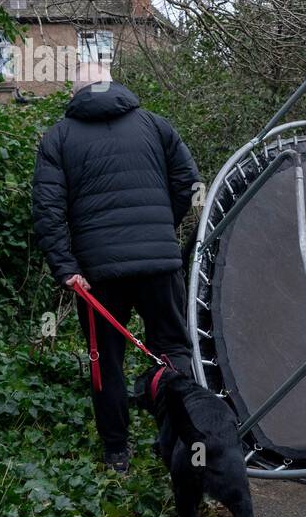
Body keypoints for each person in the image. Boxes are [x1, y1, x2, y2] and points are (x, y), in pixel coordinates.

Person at [32, 64, 200, 472]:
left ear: (73, 96)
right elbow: (189, 183)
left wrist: (66, 266)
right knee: (173, 350)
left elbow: (47, 210)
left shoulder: (58, 137)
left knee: (104, 360)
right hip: (159, 264)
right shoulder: (155, 125)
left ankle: (117, 454)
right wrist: (163, 226)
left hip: (97, 275)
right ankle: (185, 443)